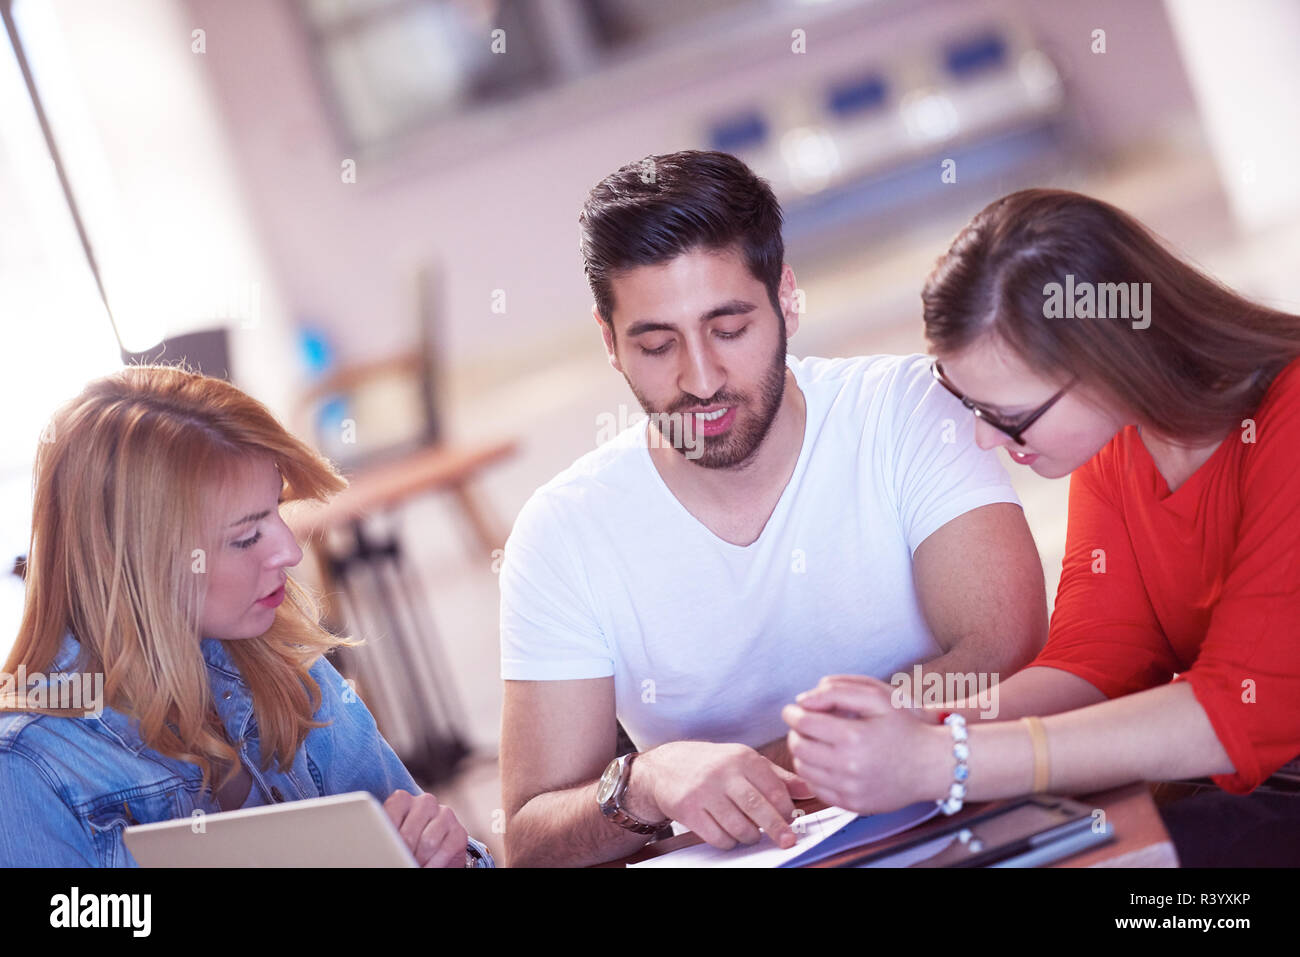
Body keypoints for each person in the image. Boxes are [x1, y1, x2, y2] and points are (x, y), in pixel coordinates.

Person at [498, 150, 1048, 867]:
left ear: (787, 299)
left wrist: (761, 767)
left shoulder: (905, 409)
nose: (701, 379)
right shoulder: (561, 534)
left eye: (729, 329)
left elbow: (1005, 649)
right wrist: (647, 782)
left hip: (963, 832)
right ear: (609, 342)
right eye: (658, 344)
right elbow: (531, 840)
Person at [782, 188, 1300, 866]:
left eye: (1008, 415)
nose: (984, 439)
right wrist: (919, 718)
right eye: (969, 405)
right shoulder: (1120, 444)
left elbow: (1236, 708)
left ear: (1110, 356)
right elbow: (1094, 661)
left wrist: (943, 760)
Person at [0, 364, 493, 868]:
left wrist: (452, 857)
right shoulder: (26, 771)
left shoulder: (285, 668)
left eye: (276, 510)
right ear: (136, 567)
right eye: (246, 537)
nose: (290, 551)